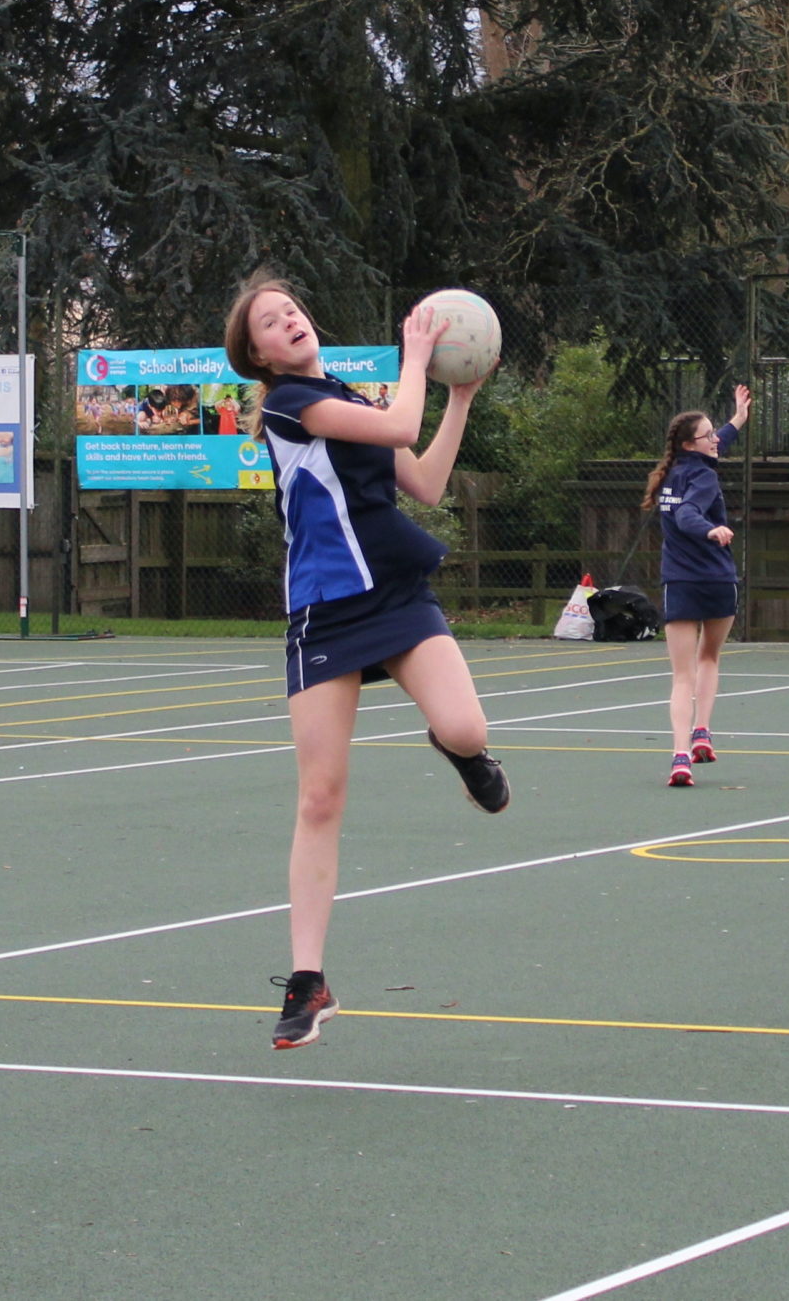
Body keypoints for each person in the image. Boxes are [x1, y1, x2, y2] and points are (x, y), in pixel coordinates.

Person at [225, 276, 506, 1049]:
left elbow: (426, 480)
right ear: (259, 354)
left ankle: (459, 750)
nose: (290, 321)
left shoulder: (346, 395)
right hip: (325, 606)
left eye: (293, 310)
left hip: (396, 591)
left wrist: (462, 399)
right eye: (272, 322)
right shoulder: (290, 404)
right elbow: (398, 421)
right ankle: (308, 981)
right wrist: (417, 355)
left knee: (466, 725)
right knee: (320, 796)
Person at [644, 385, 752, 786]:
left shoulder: (673, 471)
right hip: (716, 580)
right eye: (709, 436)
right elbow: (689, 515)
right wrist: (711, 530)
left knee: (681, 676)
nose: (716, 441)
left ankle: (680, 755)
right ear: (692, 443)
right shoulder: (704, 478)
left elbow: (717, 442)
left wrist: (737, 419)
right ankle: (701, 730)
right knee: (708, 658)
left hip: (682, 582)